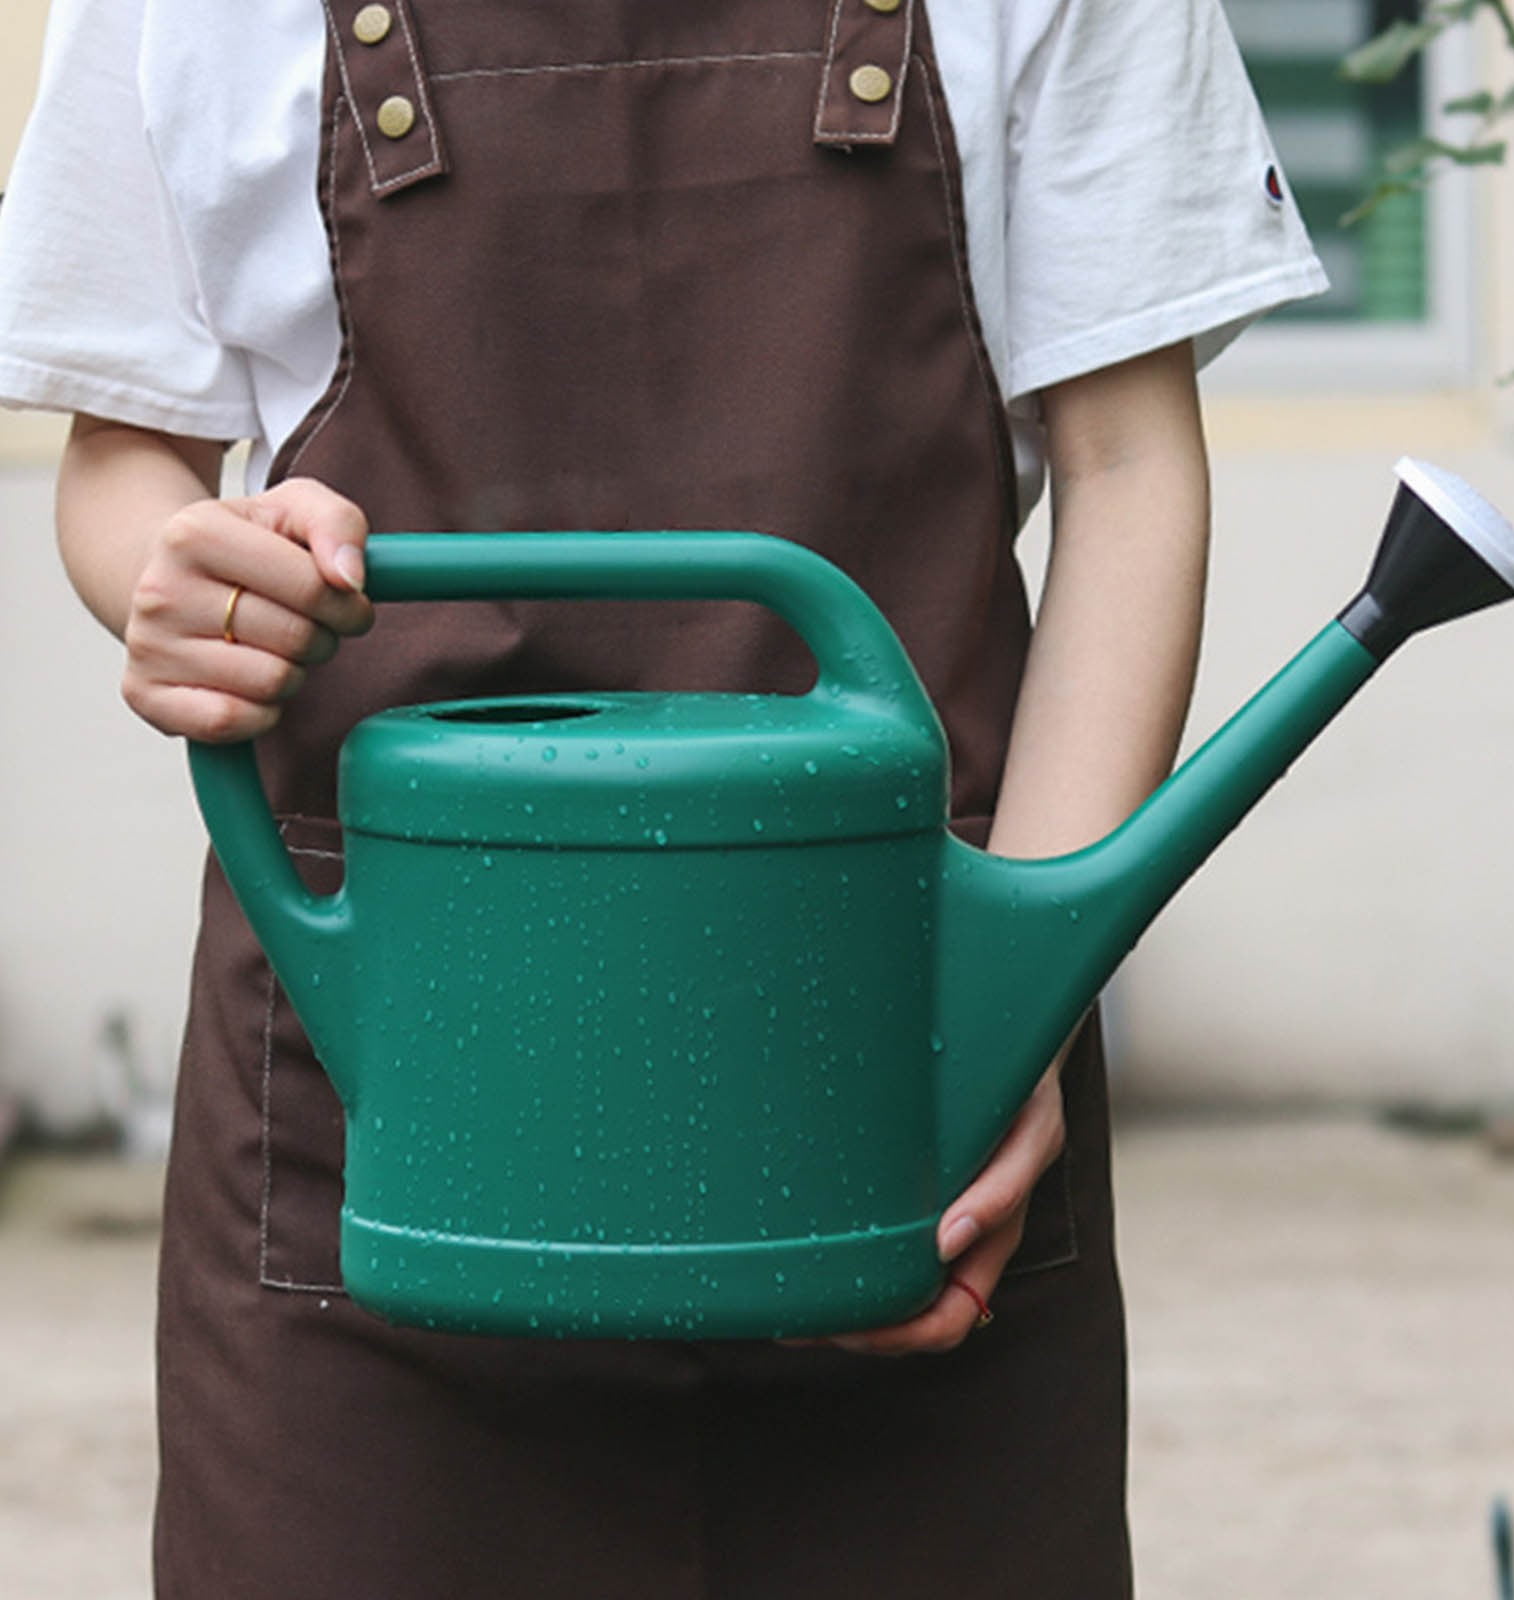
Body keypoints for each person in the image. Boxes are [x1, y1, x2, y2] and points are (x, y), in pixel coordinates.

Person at [0, 0, 1326, 1593]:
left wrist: (1014, 997)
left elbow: (1126, 468)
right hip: (384, 1121)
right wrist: (180, 580)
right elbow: (124, 457)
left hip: (898, 1096)